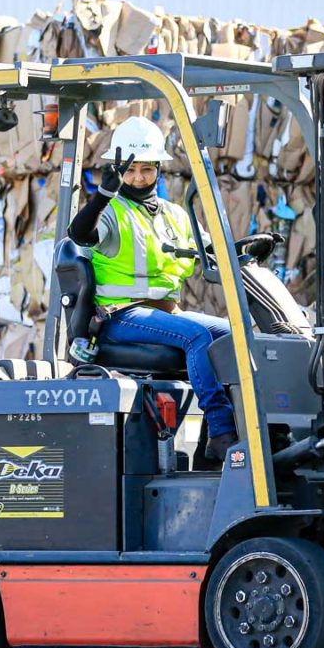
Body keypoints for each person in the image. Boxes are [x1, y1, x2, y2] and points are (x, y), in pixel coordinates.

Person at [67, 116, 238, 464]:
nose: (138, 178)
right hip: (120, 315)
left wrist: (243, 252)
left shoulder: (175, 215)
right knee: (196, 337)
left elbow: (212, 250)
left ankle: (215, 442)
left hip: (164, 313)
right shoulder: (112, 212)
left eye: (146, 169)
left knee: (233, 334)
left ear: (159, 168)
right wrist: (102, 196)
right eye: (130, 171)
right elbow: (80, 234)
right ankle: (222, 432)